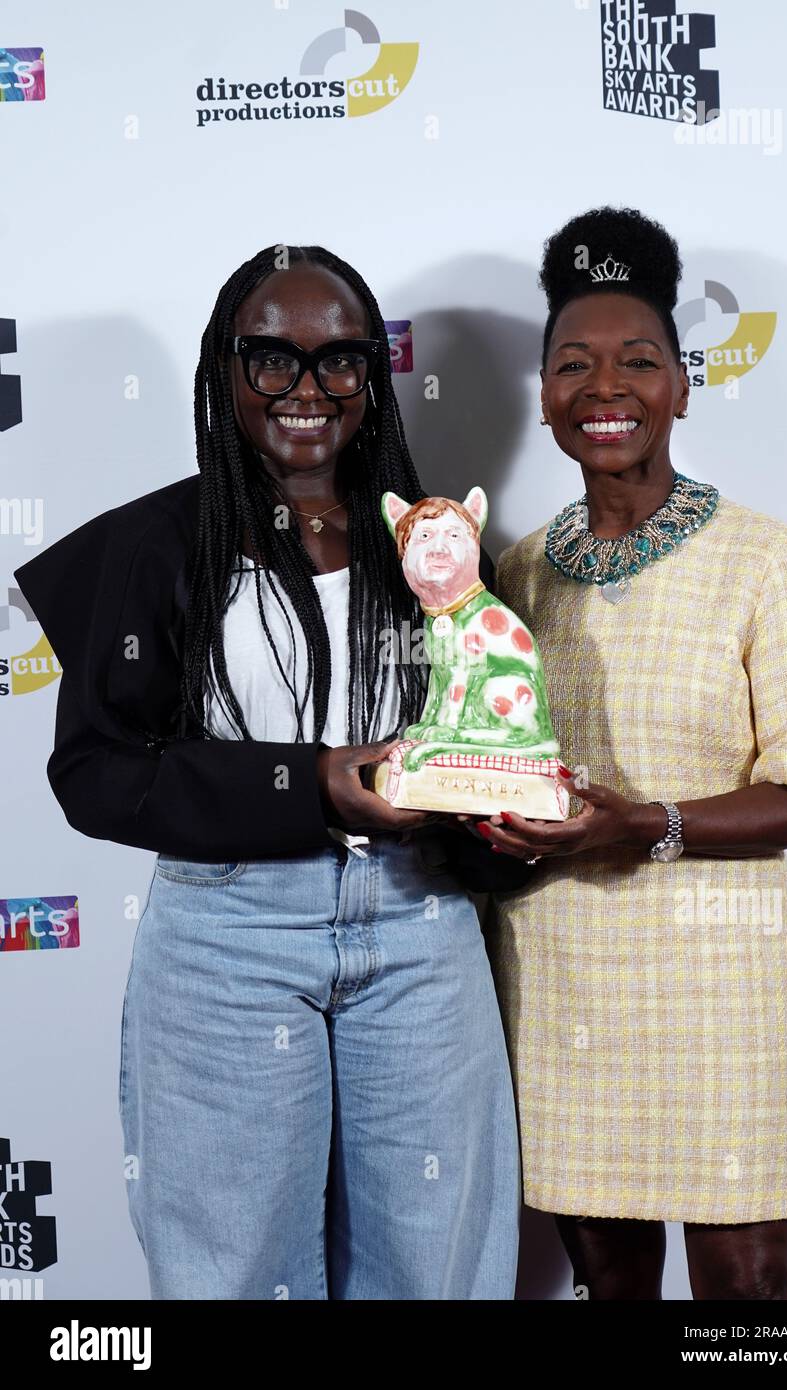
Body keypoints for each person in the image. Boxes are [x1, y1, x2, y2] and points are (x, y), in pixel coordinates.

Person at [14, 244, 523, 1300]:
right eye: (271, 360)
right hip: (225, 939)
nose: (307, 390)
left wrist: (494, 812)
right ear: (223, 370)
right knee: (232, 1277)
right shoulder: (157, 543)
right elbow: (97, 773)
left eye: (340, 360)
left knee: (439, 1271)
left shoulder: (428, 539)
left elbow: (481, 727)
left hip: (419, 924)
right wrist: (309, 782)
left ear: (371, 377)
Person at [478, 207, 787, 1300]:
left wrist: (643, 823)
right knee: (606, 1273)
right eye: (573, 364)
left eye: (637, 360)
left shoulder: (769, 562)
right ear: (542, 395)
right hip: (561, 972)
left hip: (722, 978)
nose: (606, 387)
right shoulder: (511, 574)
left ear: (682, 386)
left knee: (744, 1275)